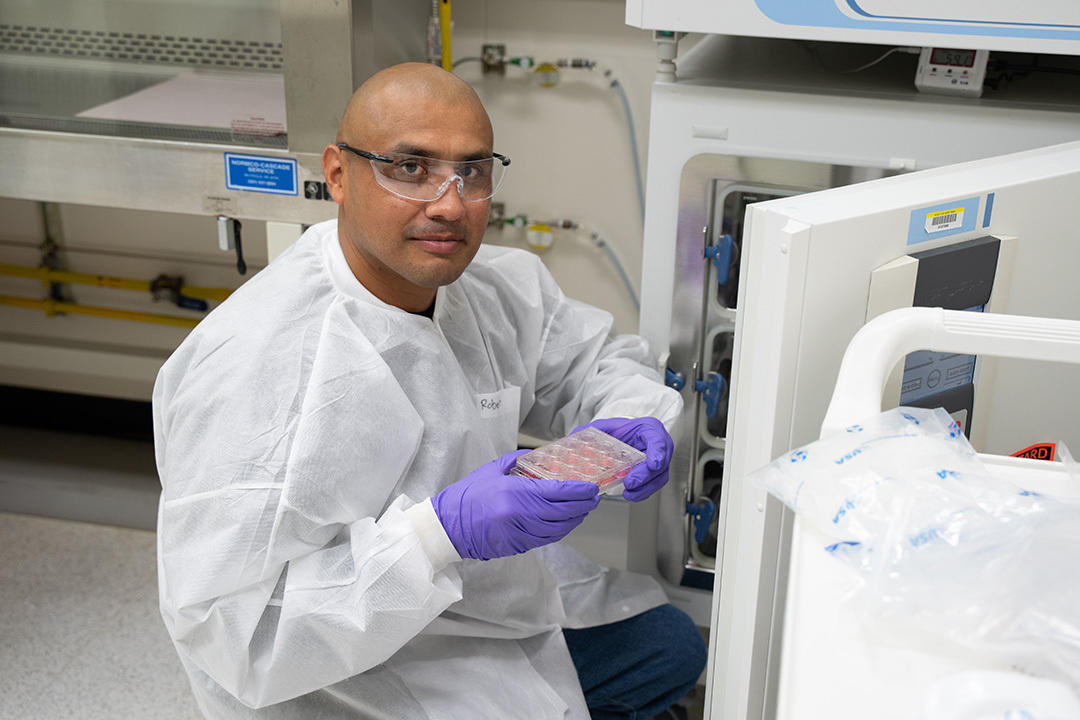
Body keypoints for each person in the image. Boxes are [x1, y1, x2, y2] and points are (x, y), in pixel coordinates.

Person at [153, 62, 706, 720]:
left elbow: (588, 357)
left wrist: (632, 415)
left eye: (471, 171)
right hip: (332, 667)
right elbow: (235, 636)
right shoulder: (256, 366)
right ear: (338, 174)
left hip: (474, 603)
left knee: (672, 646)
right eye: (409, 167)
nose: (449, 202)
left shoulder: (491, 288)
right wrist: (436, 537)